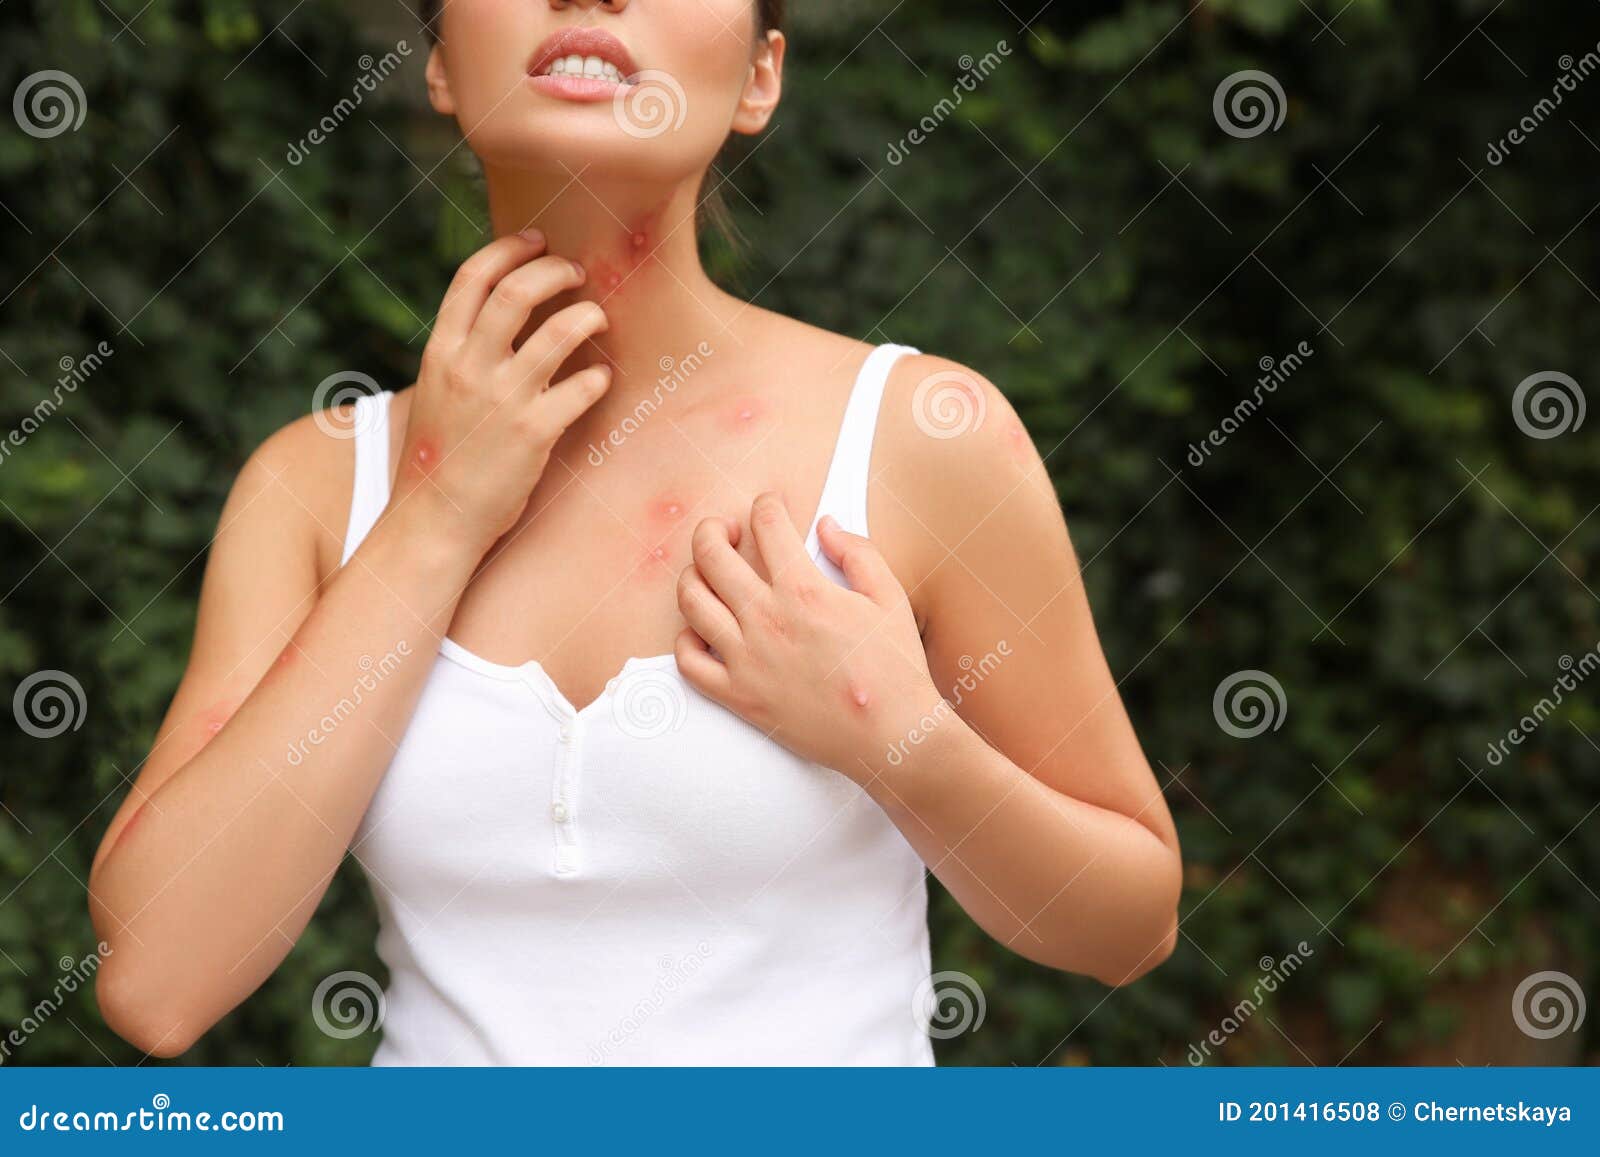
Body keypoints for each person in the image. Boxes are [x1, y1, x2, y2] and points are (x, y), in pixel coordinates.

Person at [88, 0, 1180, 1065]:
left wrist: (897, 736)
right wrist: (438, 513)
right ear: (438, 65)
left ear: (762, 75)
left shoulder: (921, 435)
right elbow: (157, 982)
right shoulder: (315, 485)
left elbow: (1128, 923)